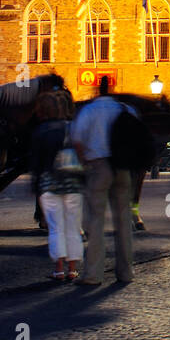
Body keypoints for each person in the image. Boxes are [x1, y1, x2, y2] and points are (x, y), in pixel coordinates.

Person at [69, 78, 133, 286]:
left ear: (97, 90)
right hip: (122, 167)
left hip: (98, 166)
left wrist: (83, 162)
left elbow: (77, 140)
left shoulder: (89, 111)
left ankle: (94, 274)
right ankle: (125, 272)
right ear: (113, 89)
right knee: (123, 220)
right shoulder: (125, 110)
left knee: (95, 220)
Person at [30, 92, 84, 282]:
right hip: (73, 185)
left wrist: (36, 188)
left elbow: (35, 165)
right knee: (73, 226)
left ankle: (59, 269)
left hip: (49, 185)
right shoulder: (74, 128)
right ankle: (72, 268)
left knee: (56, 228)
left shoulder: (41, 131)